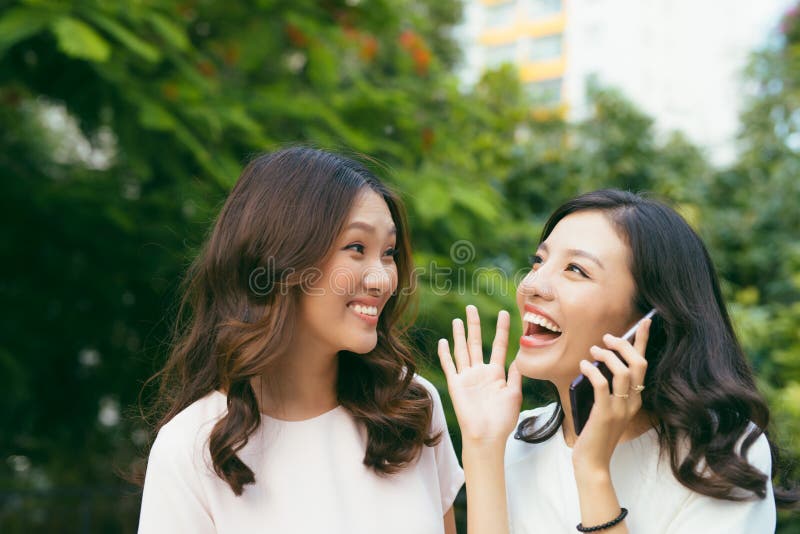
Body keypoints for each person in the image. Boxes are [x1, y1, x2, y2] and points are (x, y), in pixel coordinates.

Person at [138, 147, 463, 533]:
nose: (383, 279)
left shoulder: (410, 411)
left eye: (389, 253)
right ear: (281, 259)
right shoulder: (190, 448)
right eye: (357, 248)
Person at [438, 189, 797, 533]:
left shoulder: (722, 454)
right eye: (539, 261)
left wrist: (592, 470)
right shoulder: (521, 437)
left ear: (649, 319)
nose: (532, 284)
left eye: (576, 270)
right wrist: (482, 446)